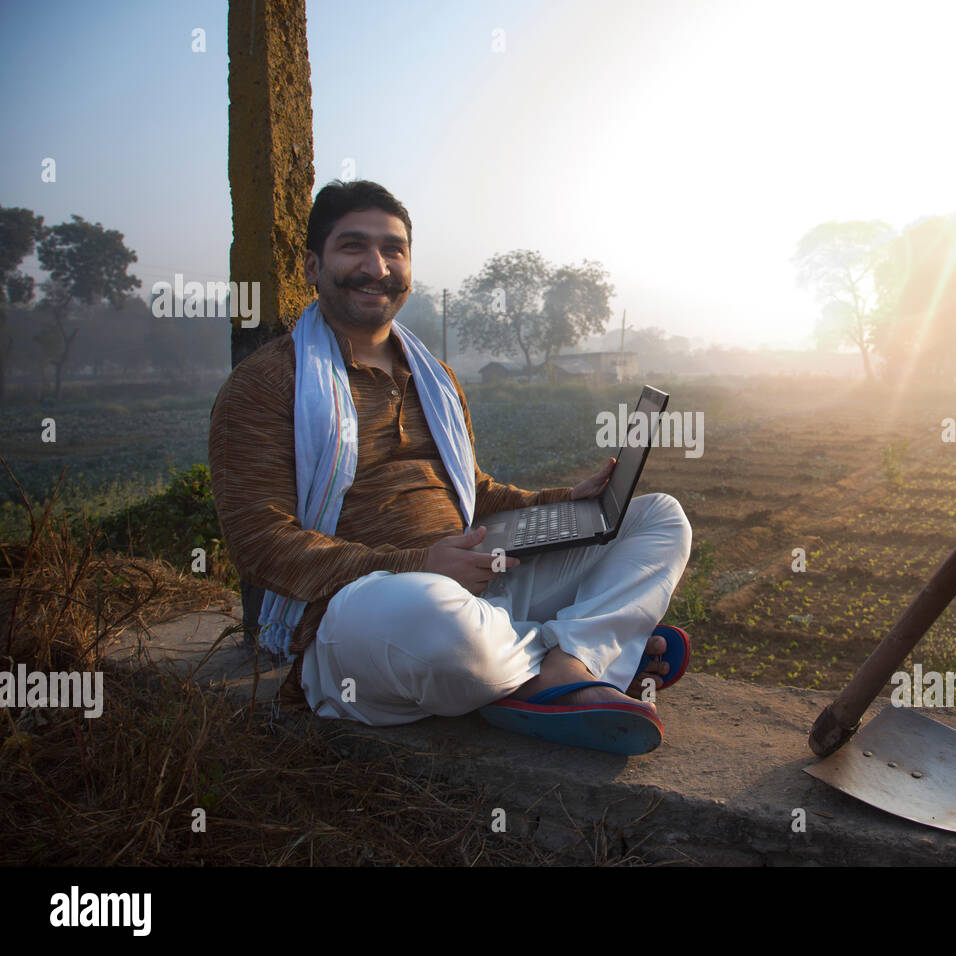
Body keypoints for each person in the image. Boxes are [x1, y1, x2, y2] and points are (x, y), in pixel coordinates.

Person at [208, 179, 692, 754]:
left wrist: (568, 499)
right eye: (353, 247)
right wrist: (423, 563)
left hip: (482, 581)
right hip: (372, 608)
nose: (377, 266)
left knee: (659, 517)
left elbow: (474, 494)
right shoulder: (266, 386)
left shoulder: (433, 377)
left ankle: (565, 661)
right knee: (434, 622)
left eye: (394, 250)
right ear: (313, 265)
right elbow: (260, 544)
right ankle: (599, 648)